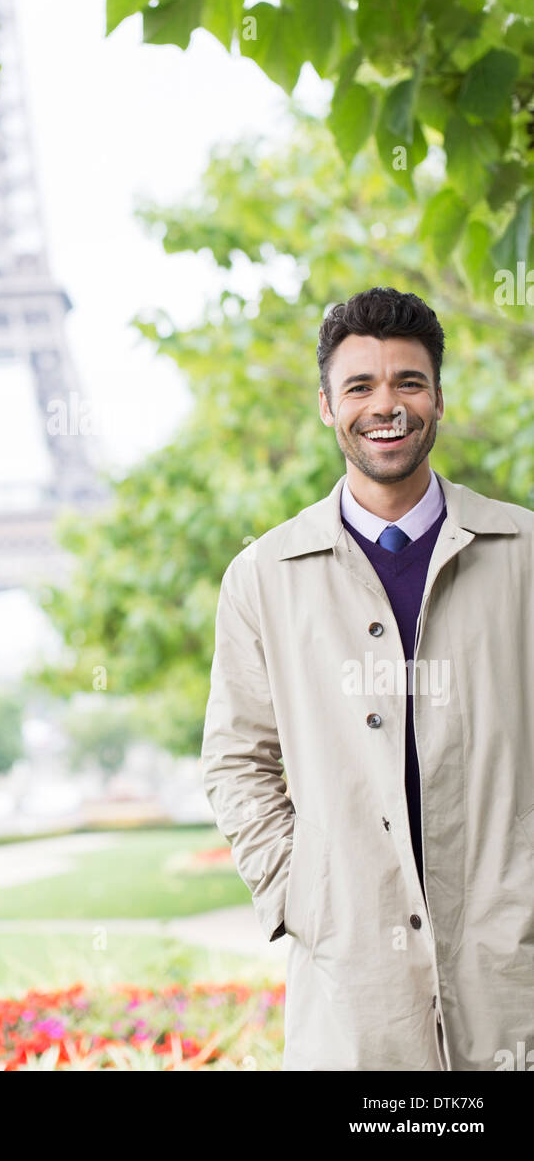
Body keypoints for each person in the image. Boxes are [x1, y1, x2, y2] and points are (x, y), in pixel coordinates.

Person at [201, 286, 534, 1071]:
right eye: (361, 386)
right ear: (327, 406)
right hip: (352, 986)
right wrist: (304, 897)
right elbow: (236, 761)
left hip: (512, 972)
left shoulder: (523, 554)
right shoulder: (264, 576)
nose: (387, 405)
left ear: (440, 400)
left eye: (409, 383)